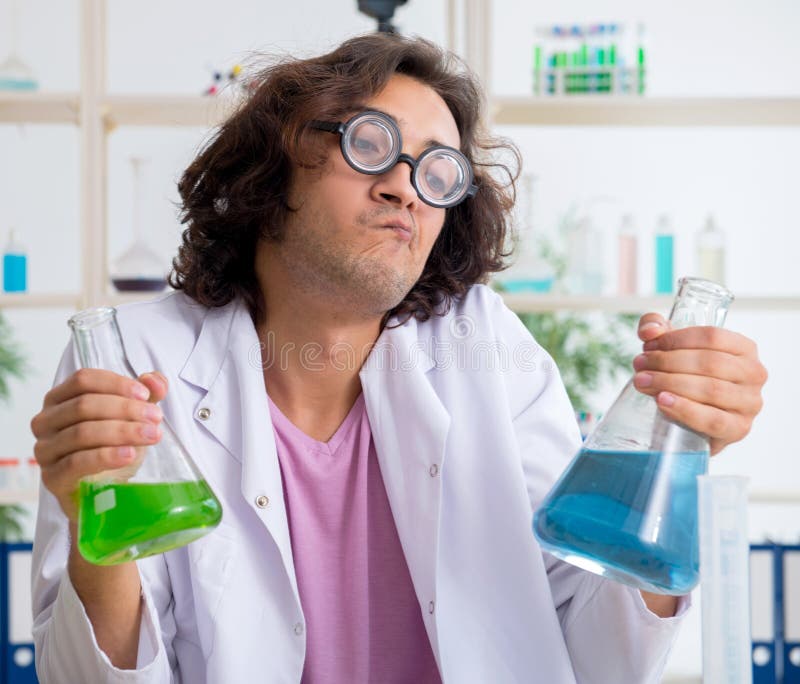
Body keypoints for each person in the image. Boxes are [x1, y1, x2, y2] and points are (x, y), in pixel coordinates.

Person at [30, 33, 767, 684]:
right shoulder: (131, 360)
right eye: (370, 144)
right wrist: (100, 535)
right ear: (274, 162)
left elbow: (604, 658)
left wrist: (681, 449)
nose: (404, 189)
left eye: (437, 171)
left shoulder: (486, 345)